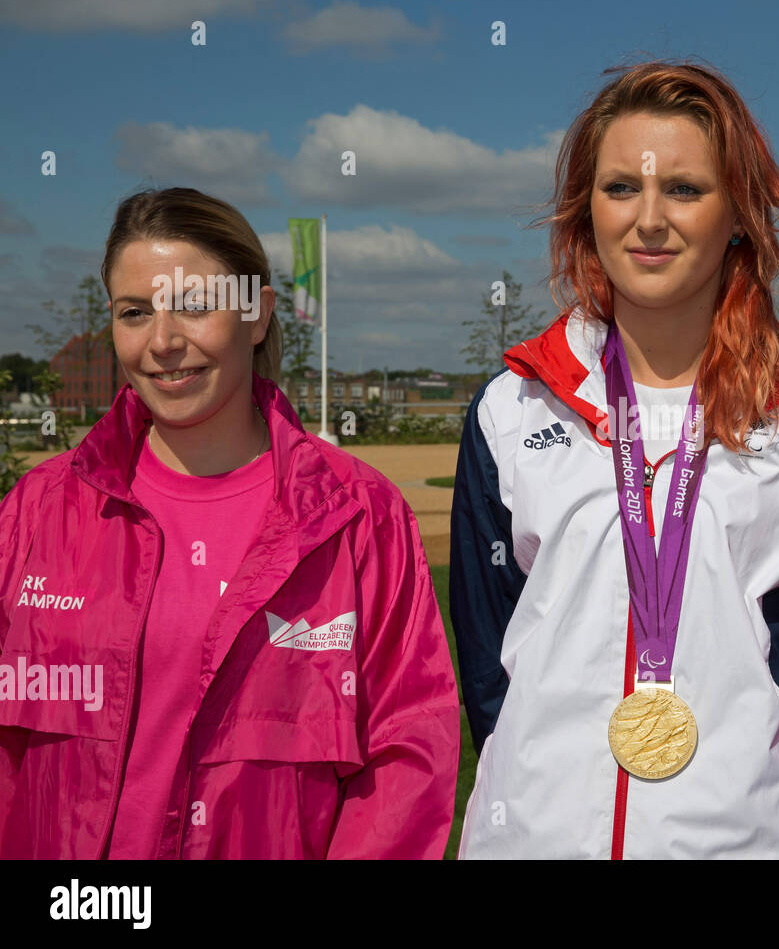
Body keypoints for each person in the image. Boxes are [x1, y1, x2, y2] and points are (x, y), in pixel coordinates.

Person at [450, 62, 779, 859]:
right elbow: (489, 669)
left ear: (738, 213)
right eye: (621, 188)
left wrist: (770, 806)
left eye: (685, 190)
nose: (649, 220)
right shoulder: (510, 409)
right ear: (585, 210)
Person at [0, 187, 459, 858]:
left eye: (192, 306)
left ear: (257, 315)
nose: (162, 342)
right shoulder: (36, 512)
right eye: (135, 313)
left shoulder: (358, 516)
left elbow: (405, 762)